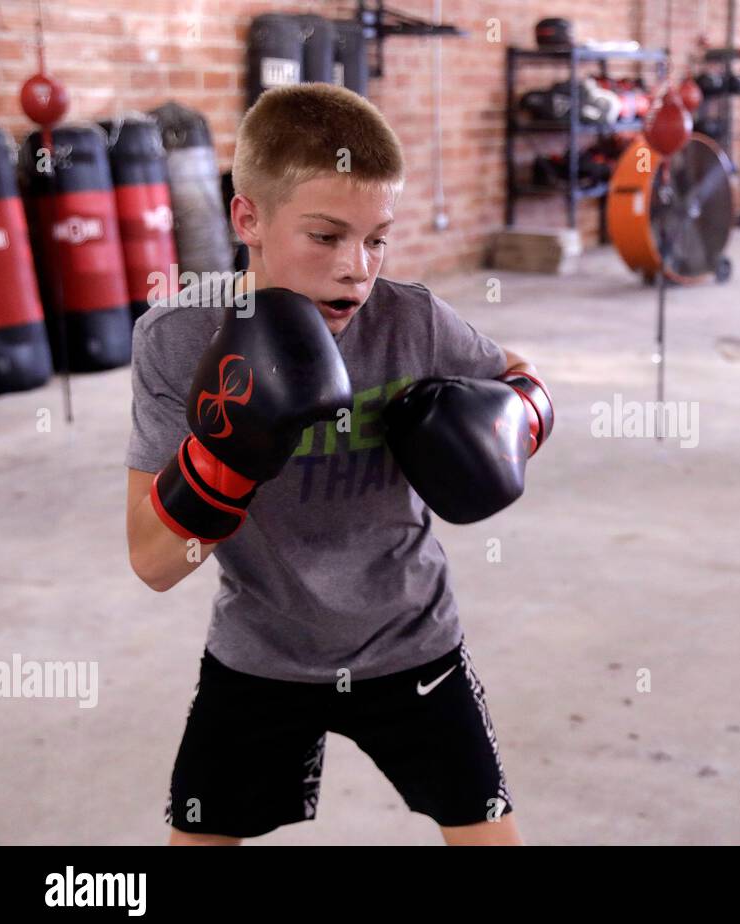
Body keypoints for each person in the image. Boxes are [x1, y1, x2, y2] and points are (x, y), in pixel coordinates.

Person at [124, 83, 551, 846]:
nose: (359, 268)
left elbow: (522, 377)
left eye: (377, 238)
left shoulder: (411, 319)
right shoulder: (179, 341)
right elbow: (155, 562)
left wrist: (509, 421)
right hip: (262, 649)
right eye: (326, 237)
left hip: (411, 639)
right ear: (247, 217)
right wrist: (228, 455)